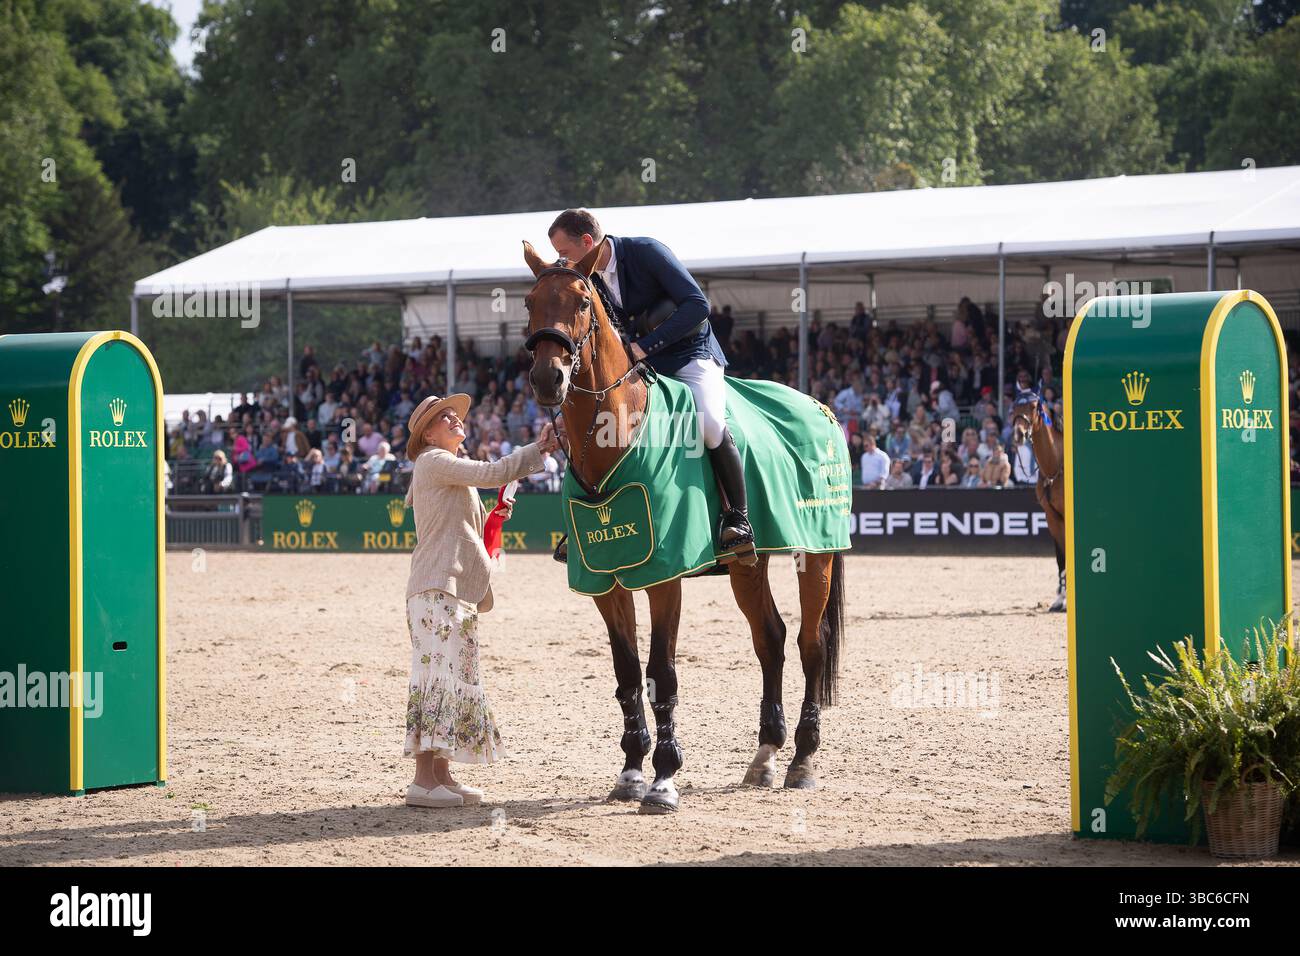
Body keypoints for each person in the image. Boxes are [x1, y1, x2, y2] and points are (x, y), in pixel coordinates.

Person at [548, 208, 755, 565]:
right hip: (642, 364)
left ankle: (738, 517)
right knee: (600, 429)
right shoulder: (588, 279)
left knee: (708, 425)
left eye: (565, 253)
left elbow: (698, 306)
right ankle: (587, 520)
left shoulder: (646, 252)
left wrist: (646, 346)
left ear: (587, 242)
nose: (562, 261)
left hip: (692, 355)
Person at [401, 393, 559, 808]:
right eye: (444, 417)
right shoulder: (432, 460)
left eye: (454, 416)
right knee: (436, 678)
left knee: (451, 678)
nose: (454, 420)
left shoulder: (441, 467)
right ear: (428, 433)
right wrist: (538, 449)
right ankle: (421, 780)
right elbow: (492, 471)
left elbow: (469, 516)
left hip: (450, 588)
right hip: (438, 587)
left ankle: (440, 775)